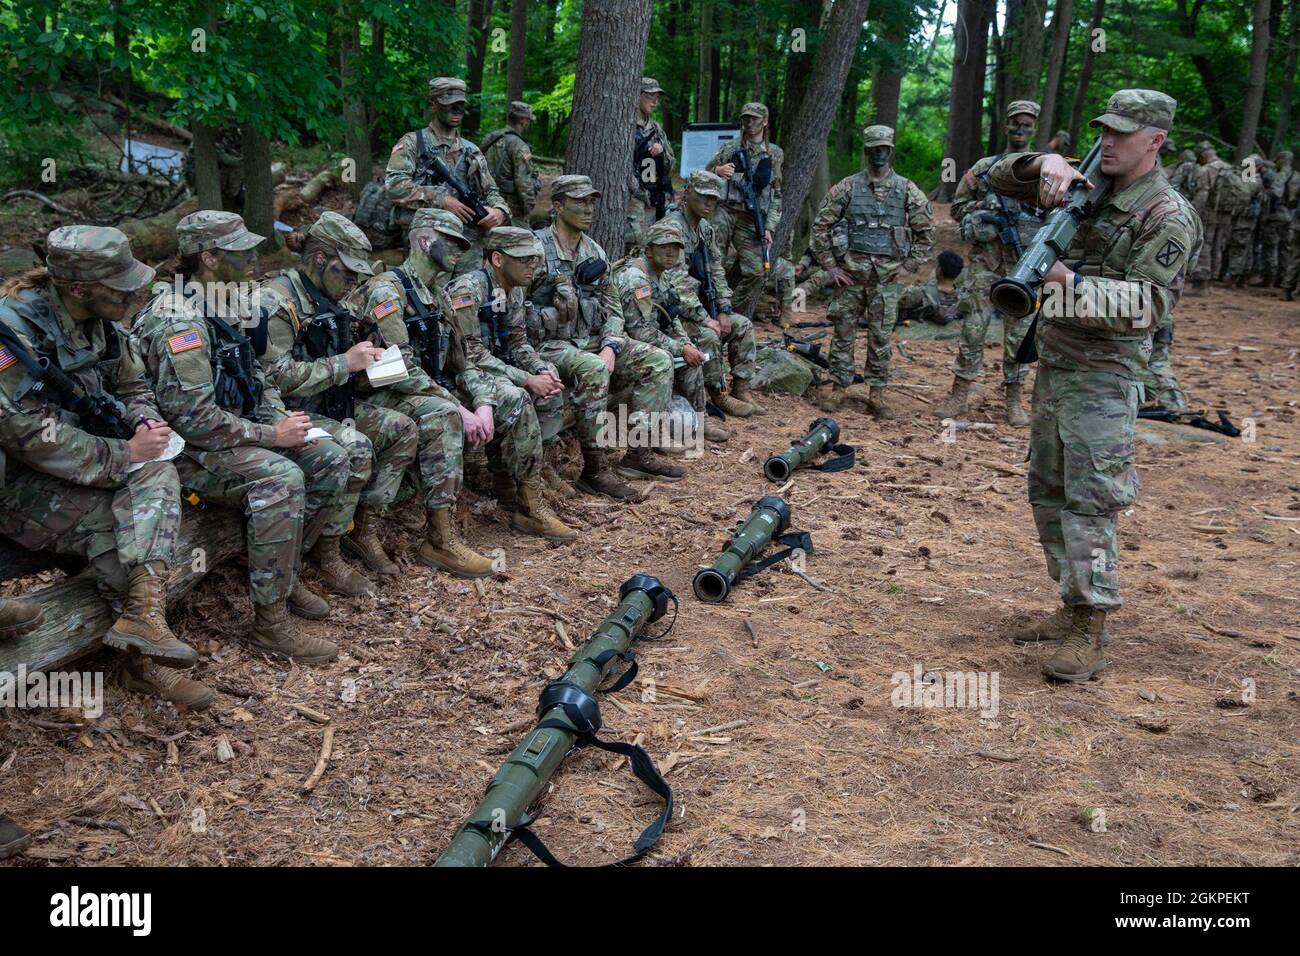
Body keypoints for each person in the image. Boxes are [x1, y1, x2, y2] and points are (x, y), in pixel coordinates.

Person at [989, 89, 1201, 681]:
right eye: (1104, 130)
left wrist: (1066, 280)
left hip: (1105, 378)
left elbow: (1149, 306)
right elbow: (983, 178)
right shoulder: (1083, 181)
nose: (1107, 141)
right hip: (1058, 365)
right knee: (1047, 488)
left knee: (1092, 500)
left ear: (1155, 142)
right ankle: (1070, 601)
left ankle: (1092, 624)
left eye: (1123, 134)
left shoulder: (1167, 214)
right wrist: (1040, 164)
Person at [0, 226, 207, 707]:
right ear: (77, 287)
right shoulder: (12, 335)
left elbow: (130, 386)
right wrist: (125, 455)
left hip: (82, 472)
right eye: (120, 286)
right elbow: (25, 434)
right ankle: (144, 645)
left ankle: (141, 638)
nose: (133, 293)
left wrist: (142, 420)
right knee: (141, 496)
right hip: (21, 486)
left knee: (127, 532)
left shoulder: (105, 320)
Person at [131, 210, 346, 663]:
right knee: (280, 477)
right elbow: (194, 421)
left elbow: (258, 376)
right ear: (208, 257)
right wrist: (273, 435)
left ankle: (285, 577)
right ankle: (270, 623)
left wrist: (284, 422)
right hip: (188, 453)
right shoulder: (179, 320)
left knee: (328, 455)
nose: (253, 257)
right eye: (240, 251)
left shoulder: (226, 301)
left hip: (235, 435)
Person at [256, 211, 419, 594]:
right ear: (318, 259)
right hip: (288, 412)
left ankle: (364, 531)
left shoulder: (333, 298)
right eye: (346, 274)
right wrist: (343, 363)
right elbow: (273, 377)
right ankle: (325, 552)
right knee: (356, 447)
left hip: (333, 402)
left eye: (357, 276)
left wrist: (369, 364)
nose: (352, 283)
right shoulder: (277, 302)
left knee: (402, 429)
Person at [348, 208, 501, 577]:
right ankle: (434, 539)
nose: (459, 250)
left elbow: (462, 362)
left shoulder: (437, 296)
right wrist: (457, 407)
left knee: (475, 402)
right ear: (422, 240)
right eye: (450, 241)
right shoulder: (387, 291)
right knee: (443, 414)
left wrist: (482, 403)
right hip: (370, 394)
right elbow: (395, 369)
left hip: (414, 390)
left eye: (464, 244)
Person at [528, 174, 673, 500]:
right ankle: (595, 469)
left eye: (591, 201)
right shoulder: (535, 249)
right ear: (558, 205)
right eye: (579, 202)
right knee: (592, 368)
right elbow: (514, 308)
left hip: (592, 342)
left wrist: (610, 346)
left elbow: (614, 311)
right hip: (551, 346)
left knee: (658, 359)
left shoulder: (595, 251)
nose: (589, 209)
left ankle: (639, 452)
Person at [446, 227, 579, 540]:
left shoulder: (515, 288)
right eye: (524, 259)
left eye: (534, 258)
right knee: (518, 396)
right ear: (497, 259)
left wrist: (541, 369)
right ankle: (530, 506)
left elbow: (518, 342)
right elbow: (470, 353)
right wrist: (526, 379)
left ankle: (519, 480)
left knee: (550, 385)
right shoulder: (468, 290)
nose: (532, 265)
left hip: (493, 367)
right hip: (463, 372)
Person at [809, 124, 935, 418]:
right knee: (842, 333)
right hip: (851, 277)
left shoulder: (907, 189)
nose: (879, 154)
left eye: (884, 149)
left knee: (880, 338)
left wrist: (908, 266)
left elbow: (926, 232)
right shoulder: (849, 187)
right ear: (866, 151)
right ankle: (840, 387)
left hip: (886, 280)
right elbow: (821, 226)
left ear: (890, 151)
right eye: (873, 149)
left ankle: (877, 393)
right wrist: (830, 266)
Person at [937, 100, 1046, 425]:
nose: (1020, 129)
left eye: (1027, 124)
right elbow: (957, 207)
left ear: (1034, 128)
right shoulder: (985, 167)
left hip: (1023, 266)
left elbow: (1057, 213)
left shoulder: (1045, 168)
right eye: (1016, 123)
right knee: (973, 329)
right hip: (985, 265)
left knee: (1019, 335)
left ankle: (1014, 402)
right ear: (1007, 126)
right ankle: (959, 396)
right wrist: (984, 211)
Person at [611, 219, 721, 466]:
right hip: (619, 341)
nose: (671, 253)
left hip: (644, 337)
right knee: (663, 359)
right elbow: (640, 331)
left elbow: (671, 318)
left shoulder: (663, 276)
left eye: (676, 248)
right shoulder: (636, 278)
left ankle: (699, 420)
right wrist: (680, 348)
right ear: (648, 250)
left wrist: (686, 344)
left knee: (694, 355)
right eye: (664, 247)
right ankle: (655, 433)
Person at [662, 170, 765, 417]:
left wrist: (725, 310)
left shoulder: (705, 229)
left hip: (700, 306)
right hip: (673, 314)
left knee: (742, 326)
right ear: (687, 194)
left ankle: (742, 388)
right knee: (708, 334)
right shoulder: (671, 228)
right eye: (703, 197)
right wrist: (704, 317)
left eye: (713, 199)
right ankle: (718, 393)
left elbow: (717, 271)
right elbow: (675, 283)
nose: (709, 203)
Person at [384, 77, 509, 273]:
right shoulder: (412, 143)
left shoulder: (472, 151)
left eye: (460, 106)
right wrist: (441, 199)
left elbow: (491, 191)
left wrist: (499, 211)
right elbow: (394, 186)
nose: (456, 112)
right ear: (433, 105)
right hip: (427, 245)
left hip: (470, 246)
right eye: (449, 106)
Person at [706, 103, 784, 319]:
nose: (750, 122)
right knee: (712, 262)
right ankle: (708, 311)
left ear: (765, 121)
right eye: (746, 118)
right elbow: (705, 173)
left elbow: (777, 194)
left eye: (755, 118)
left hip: (751, 217)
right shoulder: (730, 148)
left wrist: (769, 227)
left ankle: (730, 310)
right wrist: (718, 171)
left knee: (757, 271)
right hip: (724, 211)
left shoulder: (774, 153)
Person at [627, 77, 676, 251]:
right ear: (637, 95)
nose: (655, 101)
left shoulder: (656, 129)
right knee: (633, 244)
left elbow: (671, 164)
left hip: (653, 198)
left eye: (657, 97)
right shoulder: (625, 124)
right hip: (633, 199)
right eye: (649, 96)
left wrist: (661, 152)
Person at [482, 101, 543, 229]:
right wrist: (528, 209)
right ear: (523, 121)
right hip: (512, 209)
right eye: (528, 120)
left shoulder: (491, 138)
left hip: (488, 203)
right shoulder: (519, 145)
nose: (528, 124)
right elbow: (524, 182)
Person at [897, 251, 963, 326]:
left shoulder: (920, 293)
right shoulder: (961, 296)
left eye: (937, 266)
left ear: (939, 270)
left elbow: (896, 302)